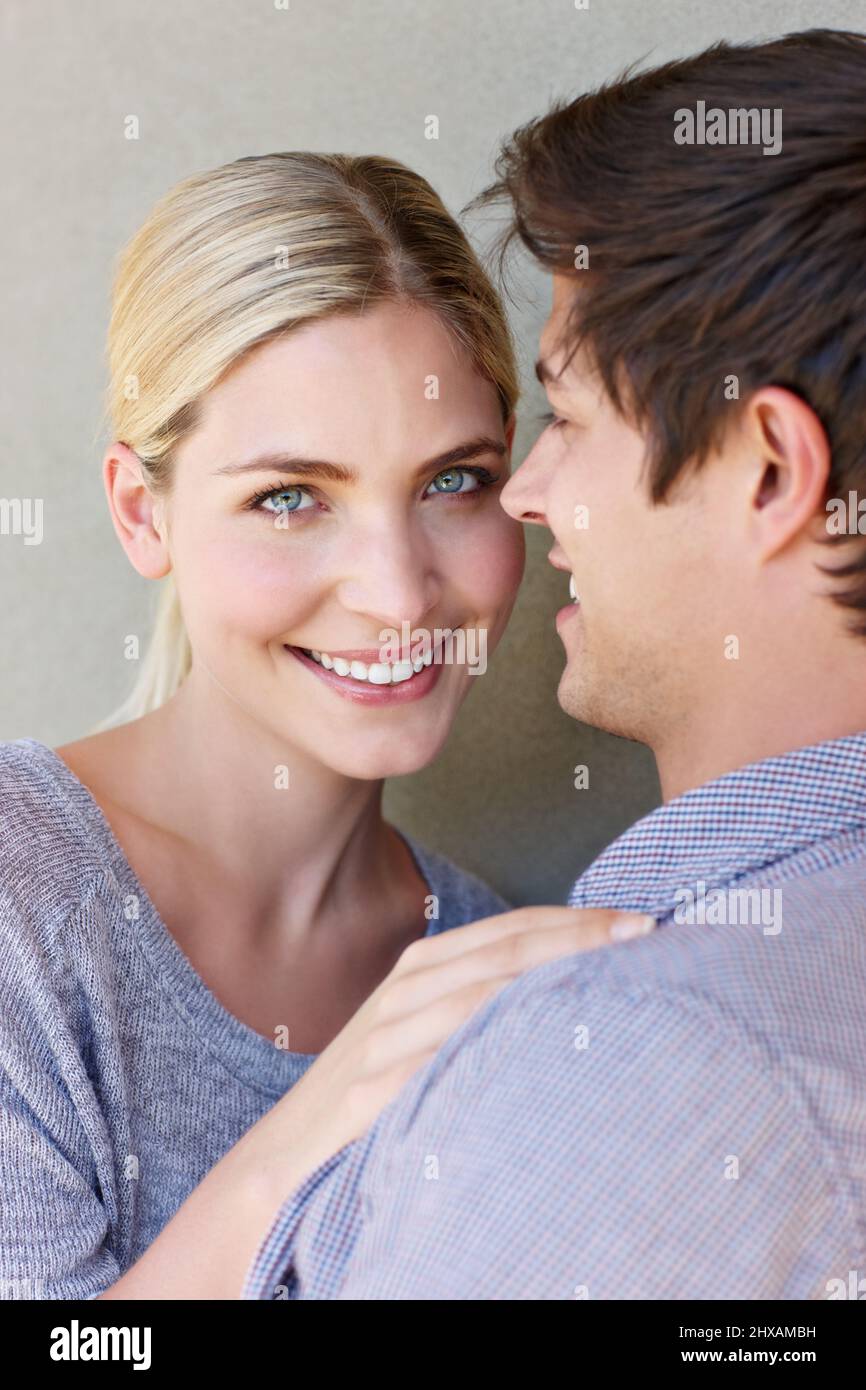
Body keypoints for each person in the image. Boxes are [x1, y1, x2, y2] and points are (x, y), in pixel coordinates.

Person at [240, 28, 866, 1300]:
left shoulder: (640, 1065)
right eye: (293, 494)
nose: (528, 494)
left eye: (564, 419)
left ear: (767, 472)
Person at [0, 152, 651, 1301]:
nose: (398, 595)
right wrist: (306, 1137)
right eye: (290, 497)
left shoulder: (497, 955)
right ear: (139, 514)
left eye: (452, 481)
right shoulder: (23, 901)